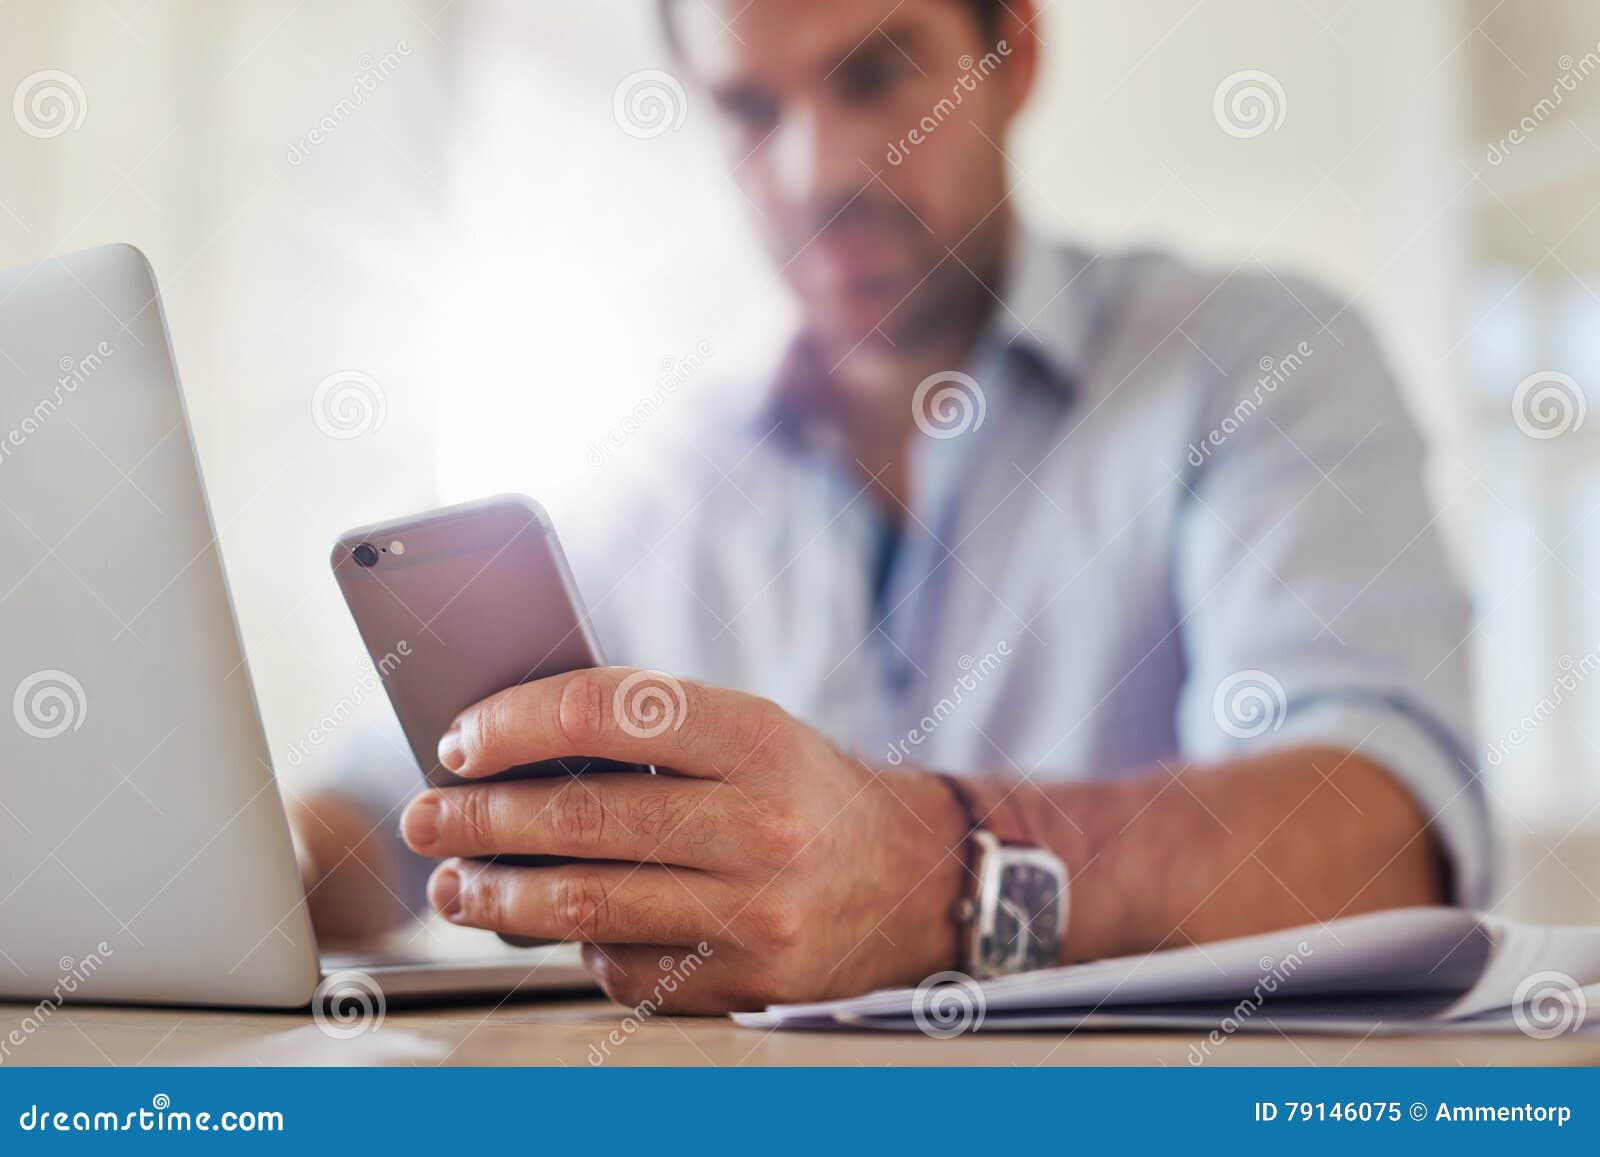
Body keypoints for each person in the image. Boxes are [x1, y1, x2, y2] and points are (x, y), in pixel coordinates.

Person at [290, 0, 1488, 1013]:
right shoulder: (644, 485)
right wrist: (243, 868)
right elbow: (381, 814)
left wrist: (926, 869)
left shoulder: (1258, 363)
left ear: (1011, 50)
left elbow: (1379, 834)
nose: (819, 171)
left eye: (875, 74)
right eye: (751, 111)